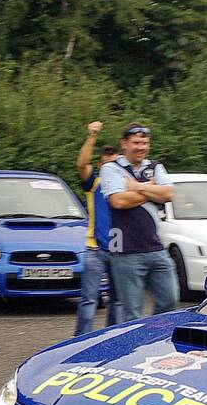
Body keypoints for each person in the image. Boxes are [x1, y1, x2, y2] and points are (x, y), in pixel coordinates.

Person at [101, 122, 177, 321]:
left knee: (169, 301)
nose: (141, 147)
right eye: (136, 142)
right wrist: (151, 190)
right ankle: (133, 349)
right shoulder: (112, 168)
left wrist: (136, 187)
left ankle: (154, 337)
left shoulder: (155, 166)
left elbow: (169, 194)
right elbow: (118, 201)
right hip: (126, 251)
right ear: (124, 143)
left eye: (144, 143)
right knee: (132, 314)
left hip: (156, 248)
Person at [75, 120, 122, 335]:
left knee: (118, 301)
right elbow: (81, 165)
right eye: (106, 165)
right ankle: (79, 341)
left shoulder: (125, 185)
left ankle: (112, 340)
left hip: (121, 249)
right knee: (89, 300)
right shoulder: (94, 183)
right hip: (95, 248)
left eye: (115, 164)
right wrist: (92, 136)